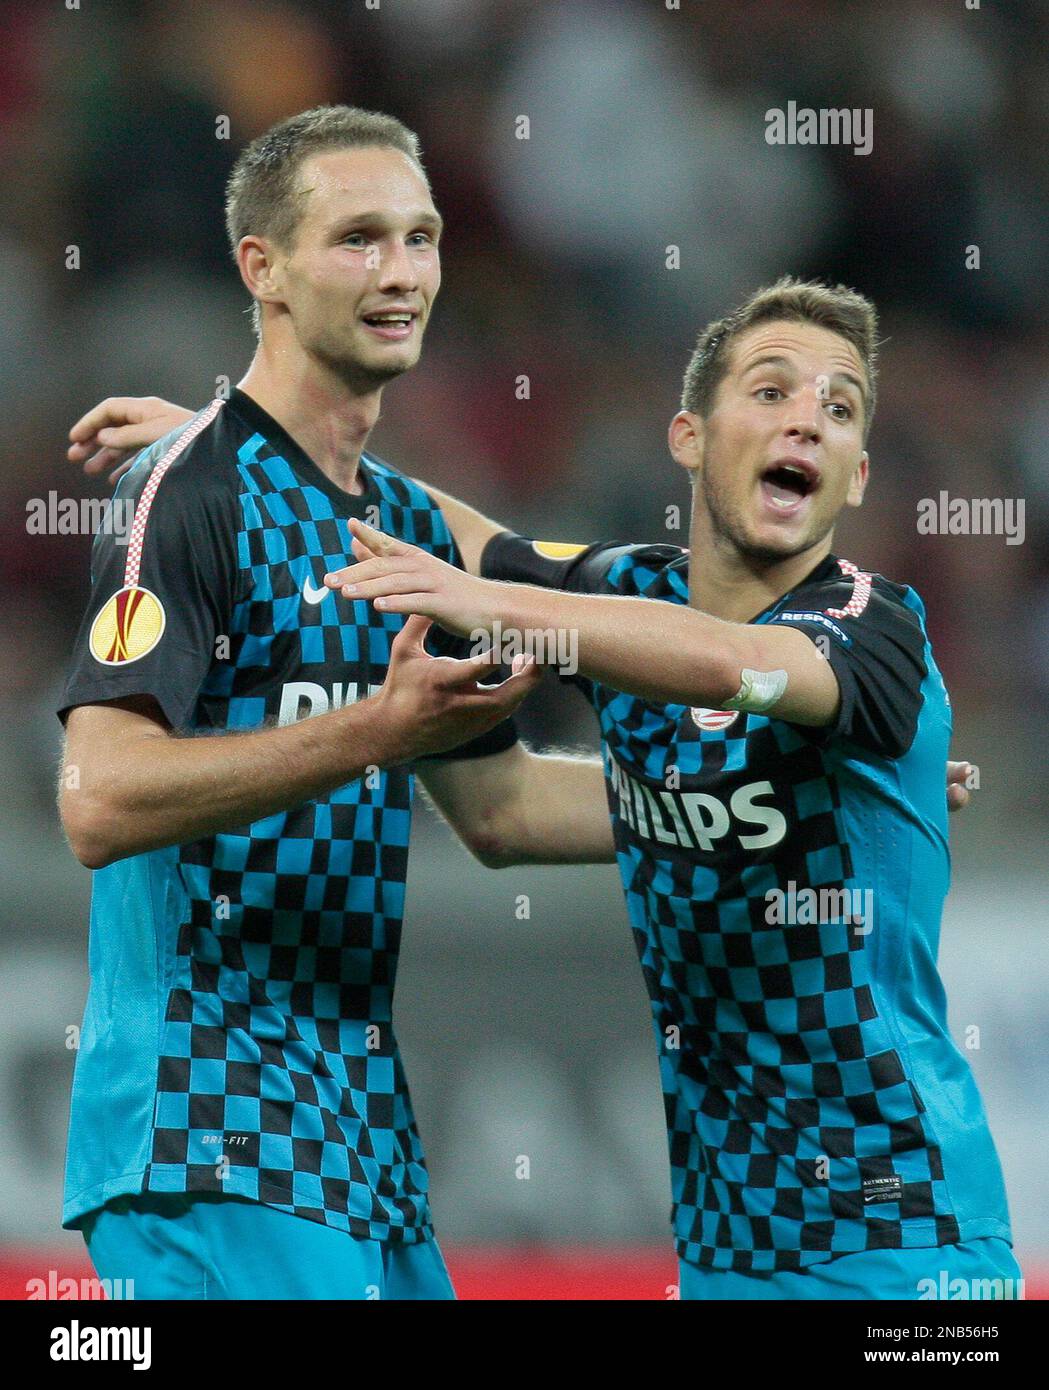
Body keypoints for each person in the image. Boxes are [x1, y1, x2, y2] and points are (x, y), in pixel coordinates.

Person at [315, 278, 1020, 1300]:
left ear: (856, 475)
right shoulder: (630, 592)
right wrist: (248, 459)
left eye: (837, 408)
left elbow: (725, 664)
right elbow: (503, 796)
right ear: (687, 436)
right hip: (724, 1253)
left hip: (905, 1242)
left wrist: (490, 603)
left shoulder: (877, 629)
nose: (805, 423)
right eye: (772, 391)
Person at [56, 106, 615, 1301]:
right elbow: (98, 797)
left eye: (421, 238)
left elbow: (503, 807)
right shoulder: (183, 494)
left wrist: (740, 798)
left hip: (356, 1135)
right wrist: (375, 728)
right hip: (201, 1125)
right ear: (262, 267)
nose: (401, 271)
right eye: (359, 238)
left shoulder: (405, 527)